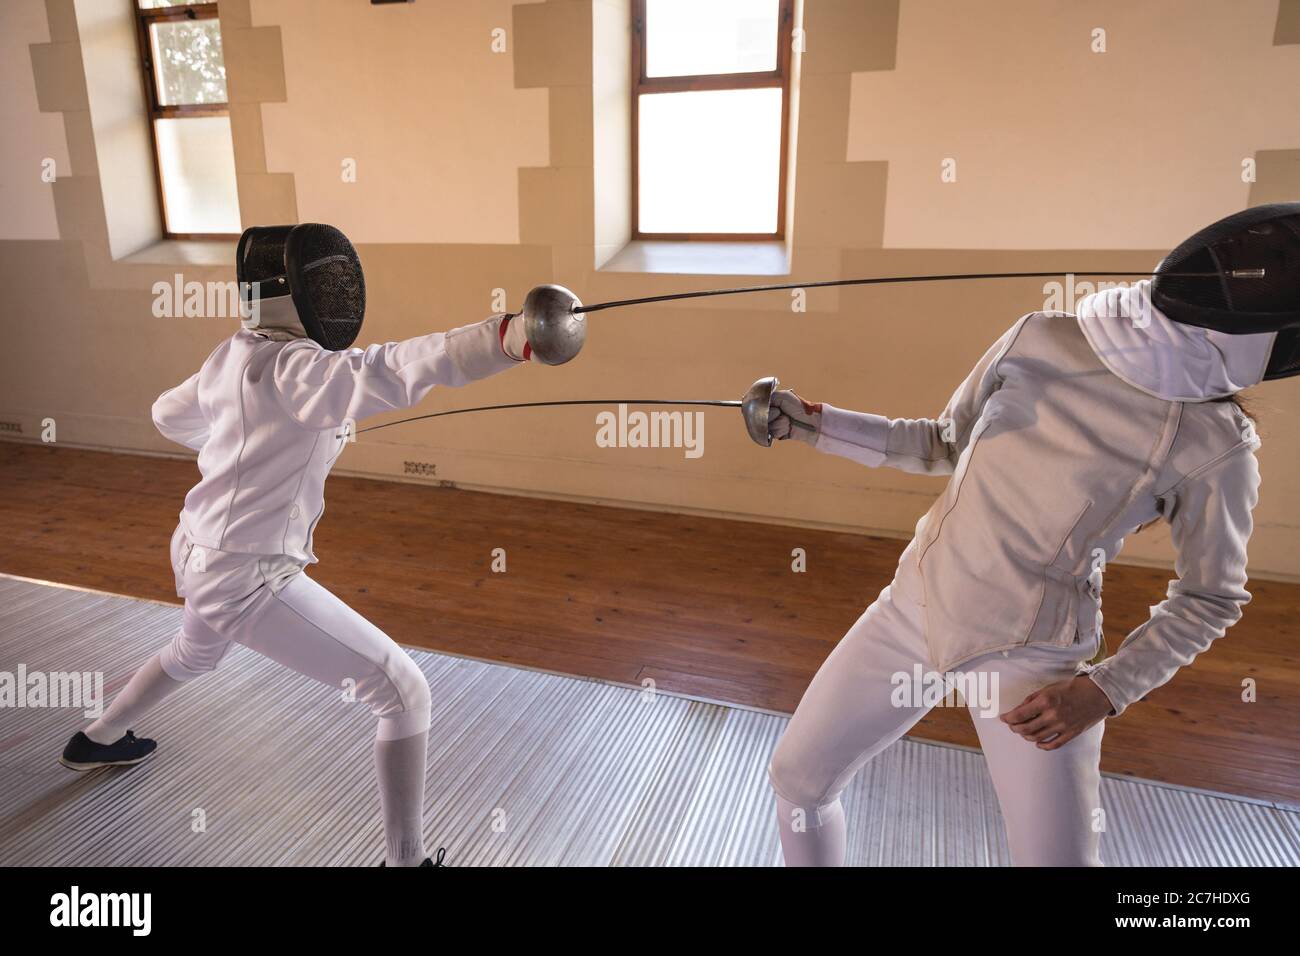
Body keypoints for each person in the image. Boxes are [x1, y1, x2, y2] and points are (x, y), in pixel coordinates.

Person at [764, 204, 1300, 866]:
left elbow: (1210, 597)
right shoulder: (1042, 337)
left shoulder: (1216, 444)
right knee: (797, 782)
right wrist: (809, 424)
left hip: (1027, 666)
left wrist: (1104, 689)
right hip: (914, 607)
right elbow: (943, 443)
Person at [59, 224, 560, 868]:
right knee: (404, 693)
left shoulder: (230, 354)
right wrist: (508, 337)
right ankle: (406, 862)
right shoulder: (301, 369)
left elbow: (167, 414)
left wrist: (240, 446)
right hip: (245, 573)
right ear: (298, 292)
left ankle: (96, 738)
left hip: (194, 551)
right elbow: (395, 368)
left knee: (192, 654)